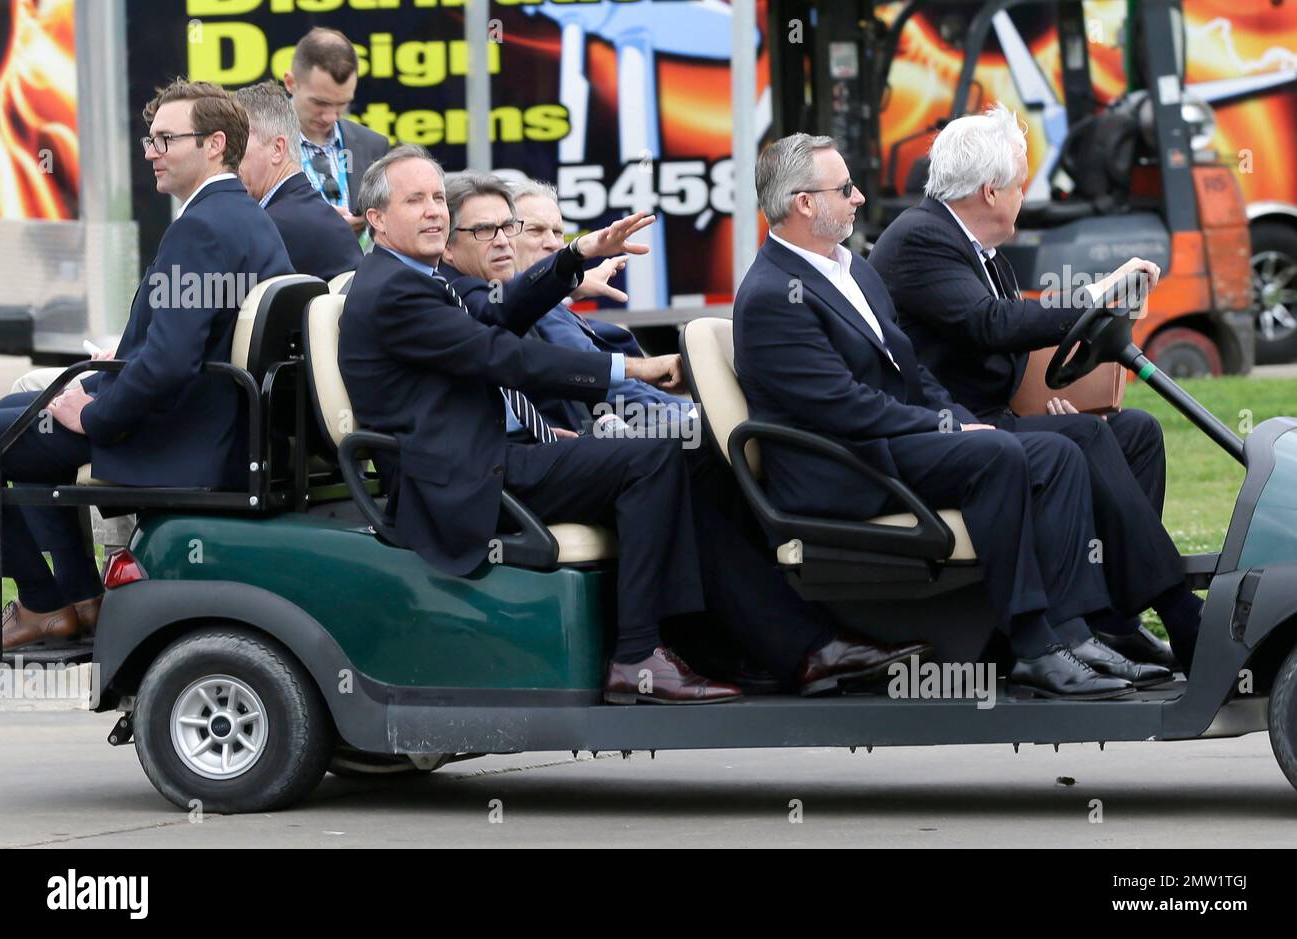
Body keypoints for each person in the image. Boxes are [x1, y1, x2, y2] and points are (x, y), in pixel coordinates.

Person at [339, 146, 925, 702]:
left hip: (493, 454)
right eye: (416, 201)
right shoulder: (395, 291)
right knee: (651, 456)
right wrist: (634, 369)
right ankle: (639, 654)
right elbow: (505, 356)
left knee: (700, 455)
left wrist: (575, 254)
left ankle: (761, 642)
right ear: (376, 220)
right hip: (464, 479)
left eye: (438, 198)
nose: (435, 211)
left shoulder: (419, 278)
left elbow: (497, 312)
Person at [734, 133, 1171, 699]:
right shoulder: (772, 294)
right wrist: (947, 429)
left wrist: (957, 417)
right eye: (845, 189)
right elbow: (842, 405)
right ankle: (1035, 645)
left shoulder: (851, 269)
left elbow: (913, 373)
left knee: (1057, 448)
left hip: (883, 443)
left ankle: (1077, 630)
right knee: (999, 454)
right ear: (805, 204)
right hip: (845, 466)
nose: (860, 197)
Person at [868, 104, 1199, 671]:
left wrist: (1064, 374)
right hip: (948, 429)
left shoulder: (977, 248)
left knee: (1136, 431)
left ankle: (1115, 622)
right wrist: (1092, 299)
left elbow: (1005, 332)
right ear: (991, 191)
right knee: (1085, 440)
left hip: (988, 414)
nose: (1025, 195)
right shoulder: (921, 238)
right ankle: (1178, 609)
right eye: (1020, 184)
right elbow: (989, 324)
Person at [0, 80, 293, 650]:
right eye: (150, 139)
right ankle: (78, 599)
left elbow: (170, 365)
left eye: (165, 140)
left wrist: (92, 417)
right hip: (208, 422)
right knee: (14, 414)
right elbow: (189, 338)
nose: (151, 152)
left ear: (214, 144)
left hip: (178, 435)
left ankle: (41, 602)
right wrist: (121, 360)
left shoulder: (201, 226)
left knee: (10, 425)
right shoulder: (246, 217)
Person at [507, 177, 693, 432]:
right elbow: (610, 387)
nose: (551, 242)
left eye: (557, 232)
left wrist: (569, 289)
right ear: (504, 240)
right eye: (535, 231)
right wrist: (690, 418)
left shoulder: (545, 302)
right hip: (619, 439)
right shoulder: (532, 309)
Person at [235, 81, 362, 281]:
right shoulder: (314, 212)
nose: (227, 157)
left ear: (277, 149)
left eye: (237, 143)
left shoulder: (269, 228)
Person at [284, 27, 390, 234]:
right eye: (319, 103)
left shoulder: (375, 146)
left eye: (342, 104)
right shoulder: (257, 143)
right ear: (290, 83)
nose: (331, 116)